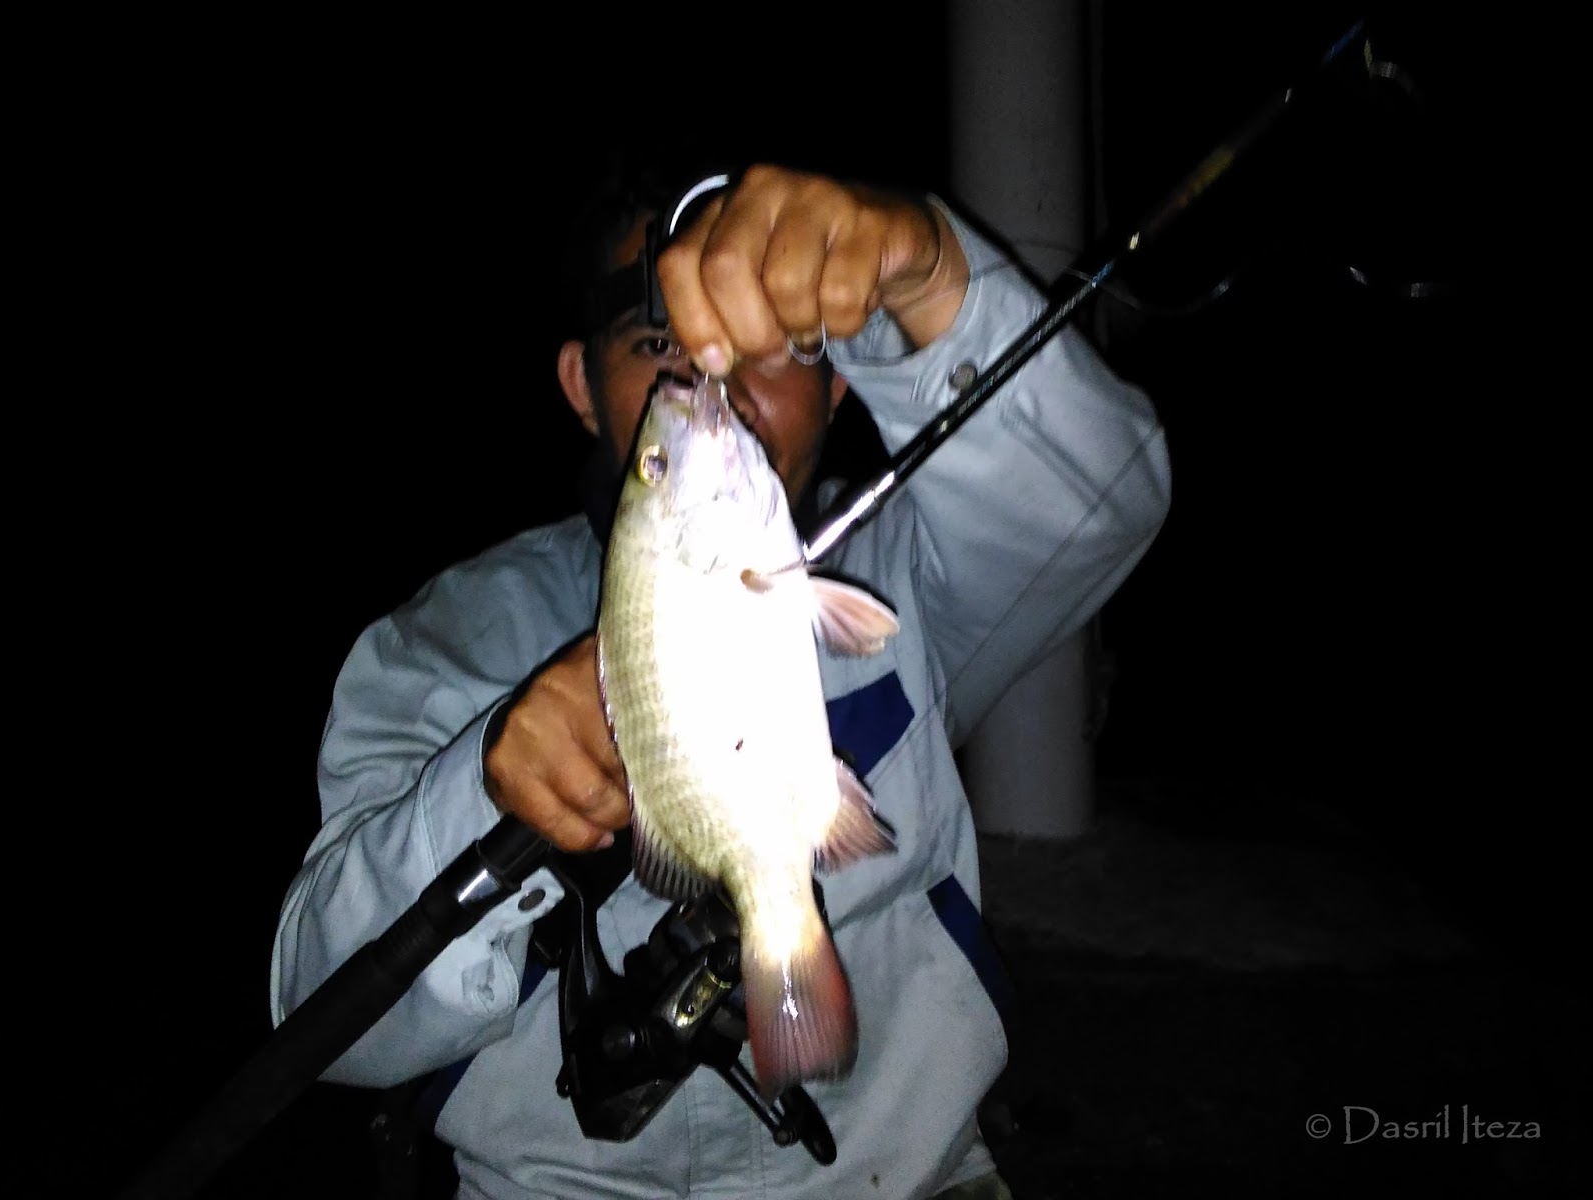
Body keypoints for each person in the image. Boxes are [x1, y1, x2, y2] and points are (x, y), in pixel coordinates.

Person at [269, 146, 1172, 1199]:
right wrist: (480, 795)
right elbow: (319, 1018)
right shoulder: (446, 639)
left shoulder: (908, 573)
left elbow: (1104, 495)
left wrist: (931, 279)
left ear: (841, 385)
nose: (719, 380)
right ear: (579, 386)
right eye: (659, 340)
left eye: (779, 347)